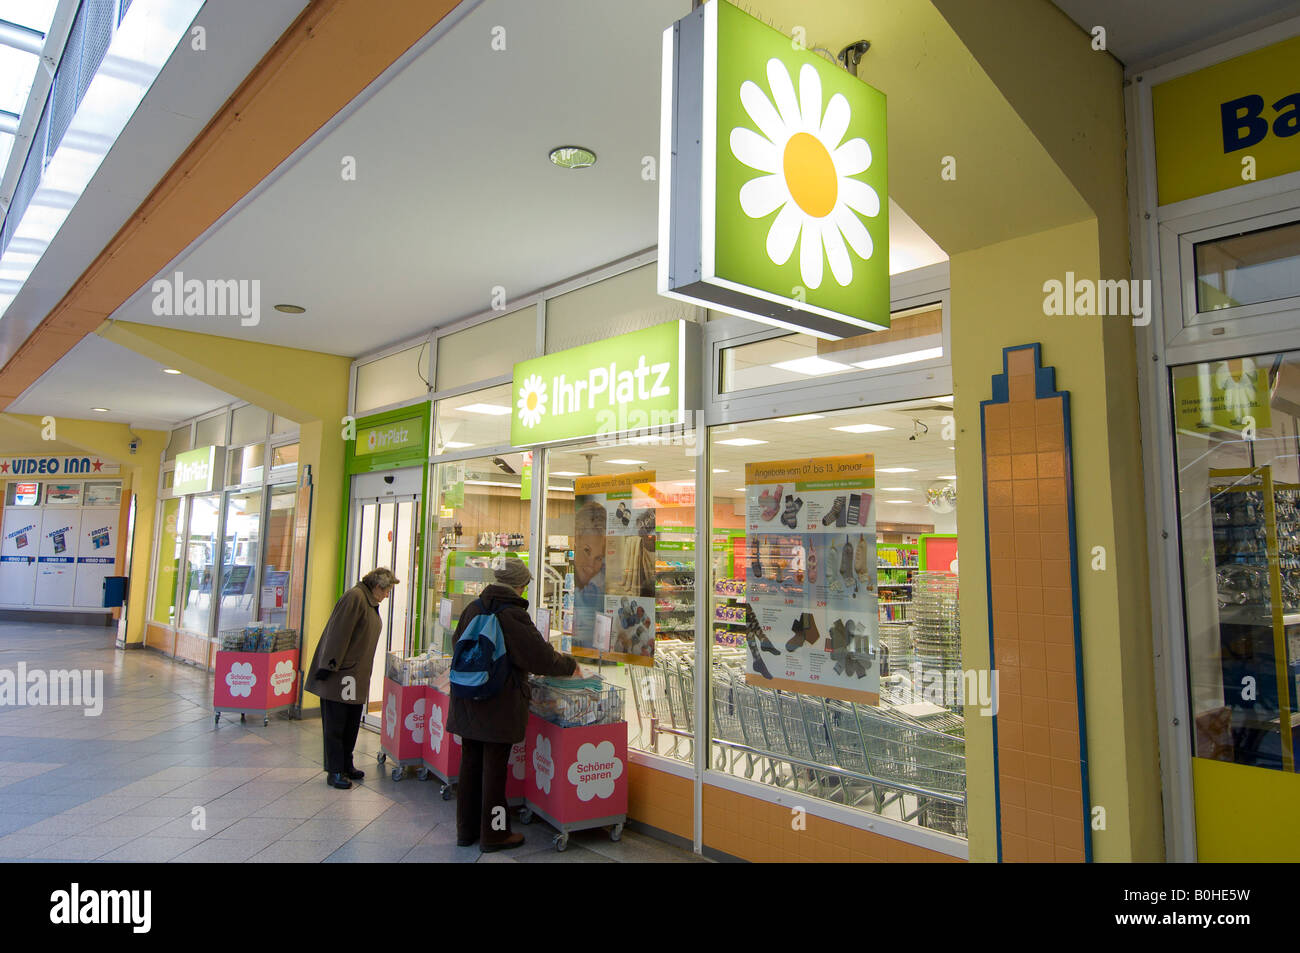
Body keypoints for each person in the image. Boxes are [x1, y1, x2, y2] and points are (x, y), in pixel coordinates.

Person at [448, 557, 579, 851]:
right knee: (494, 770)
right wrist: (569, 665)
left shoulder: (473, 608)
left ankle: (465, 831)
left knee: (469, 765)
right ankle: (494, 834)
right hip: (497, 705)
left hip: (466, 700)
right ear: (520, 585)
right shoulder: (512, 615)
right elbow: (539, 657)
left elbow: (457, 643)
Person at [304, 567, 399, 789]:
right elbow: (338, 633)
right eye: (387, 591)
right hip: (340, 675)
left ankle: (346, 764)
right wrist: (329, 665)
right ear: (377, 586)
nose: (387, 595)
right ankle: (335, 771)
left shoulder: (369, 602)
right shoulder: (354, 598)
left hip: (354, 676)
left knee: (351, 722)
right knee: (336, 725)